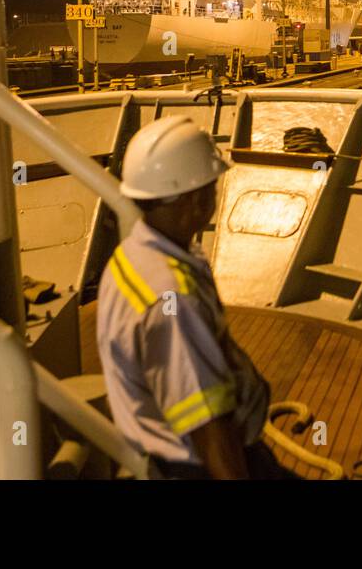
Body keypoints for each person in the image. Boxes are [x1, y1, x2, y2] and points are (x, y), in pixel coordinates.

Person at [97, 115, 293, 479]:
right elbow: (208, 425)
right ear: (196, 198)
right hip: (198, 465)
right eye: (212, 185)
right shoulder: (171, 301)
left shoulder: (134, 256)